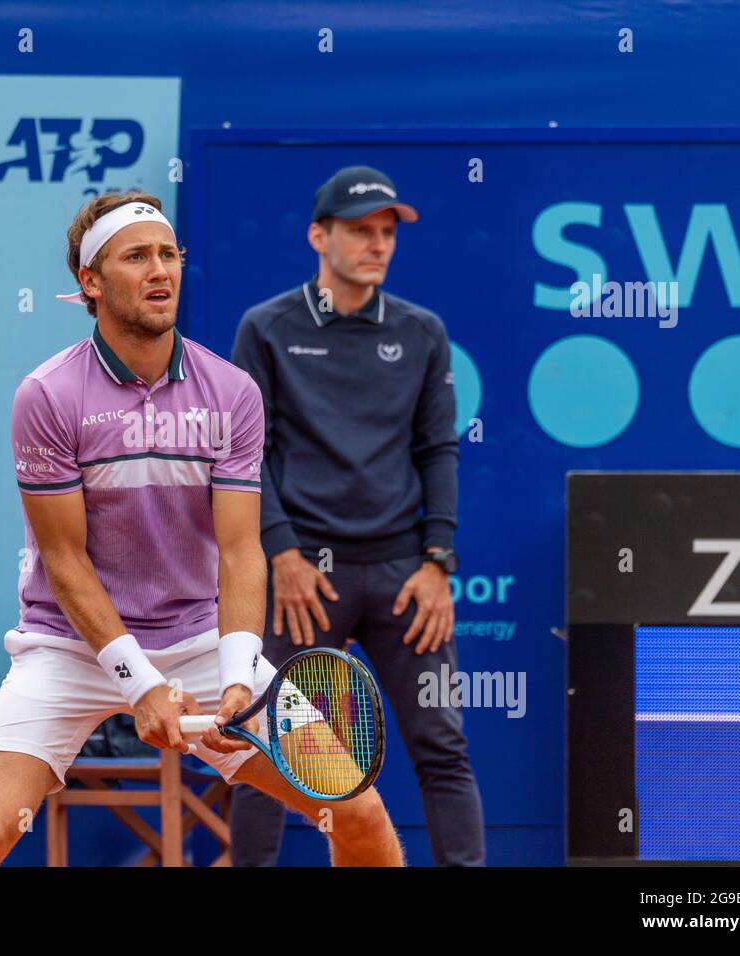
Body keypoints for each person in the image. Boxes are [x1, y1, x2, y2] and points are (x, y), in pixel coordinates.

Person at [0, 191, 402, 867]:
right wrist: (138, 682)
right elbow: (65, 560)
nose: (160, 271)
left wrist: (236, 672)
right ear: (90, 282)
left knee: (358, 813)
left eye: (169, 255)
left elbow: (238, 549)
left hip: (200, 641)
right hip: (69, 645)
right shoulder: (48, 396)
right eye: (136, 256)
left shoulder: (232, 392)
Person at [227, 165, 485, 866]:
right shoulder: (267, 328)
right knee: (267, 750)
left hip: (404, 577)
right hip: (303, 580)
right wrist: (280, 555)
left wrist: (438, 563)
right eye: (360, 231)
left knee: (442, 748)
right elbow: (246, 457)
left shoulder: (422, 333)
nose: (378, 245)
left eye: (386, 233)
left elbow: (438, 451)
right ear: (319, 236)